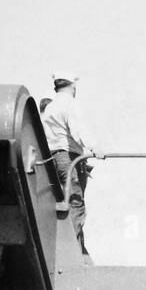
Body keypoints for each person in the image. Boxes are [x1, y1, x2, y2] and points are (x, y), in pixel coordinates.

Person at [40, 71, 96, 249]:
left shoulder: (50, 107)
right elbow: (78, 131)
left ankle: (72, 248)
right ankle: (73, 250)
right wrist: (95, 148)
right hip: (68, 158)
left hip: (52, 159)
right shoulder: (69, 104)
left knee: (62, 202)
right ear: (72, 86)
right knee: (75, 203)